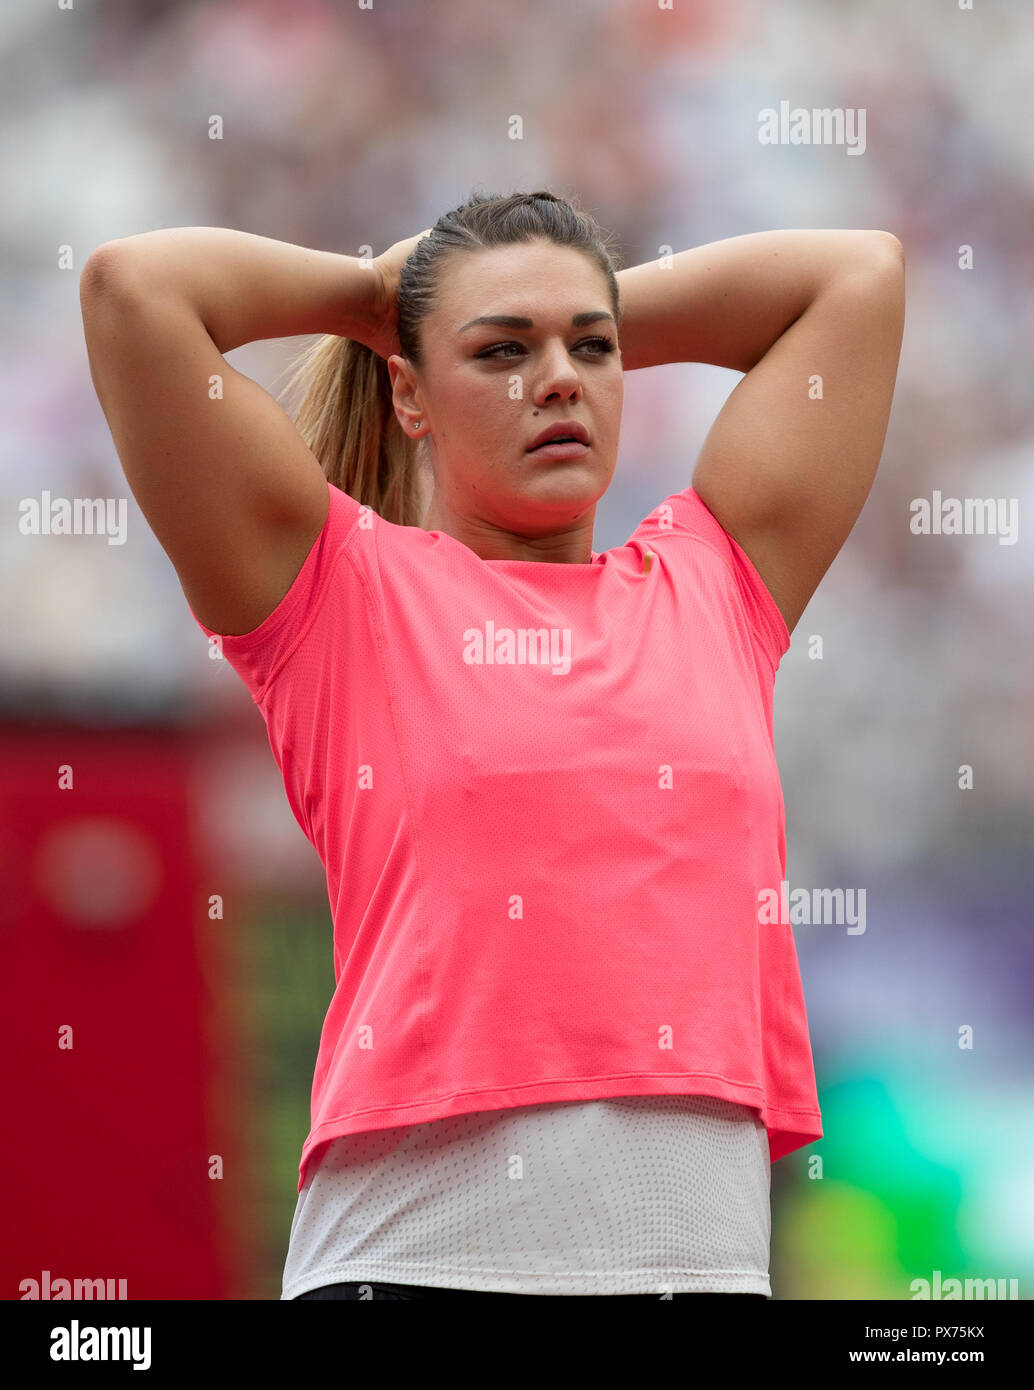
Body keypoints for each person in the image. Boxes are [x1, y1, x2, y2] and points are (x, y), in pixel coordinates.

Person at [79, 190, 905, 1299]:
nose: (558, 378)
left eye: (591, 349)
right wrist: (386, 300)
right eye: (504, 351)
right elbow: (133, 290)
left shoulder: (716, 581)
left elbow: (858, 275)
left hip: (704, 1272)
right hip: (412, 1269)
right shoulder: (335, 593)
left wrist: (542, 323)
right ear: (407, 393)